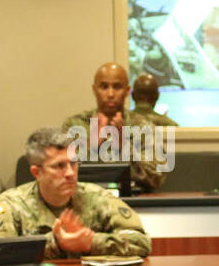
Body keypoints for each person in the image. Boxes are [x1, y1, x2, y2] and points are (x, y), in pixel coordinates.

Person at [0, 127, 151, 259]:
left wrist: (92, 243)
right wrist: (56, 243)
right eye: (59, 166)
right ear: (36, 172)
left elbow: (142, 243)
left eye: (74, 164)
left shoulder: (98, 197)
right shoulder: (10, 205)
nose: (70, 173)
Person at [60, 62, 165, 192]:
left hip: (132, 199)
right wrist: (92, 144)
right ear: (94, 90)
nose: (110, 94)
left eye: (117, 87)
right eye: (104, 87)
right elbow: (62, 172)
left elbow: (155, 177)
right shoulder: (74, 125)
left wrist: (125, 147)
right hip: (84, 198)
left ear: (127, 91)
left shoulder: (143, 127)